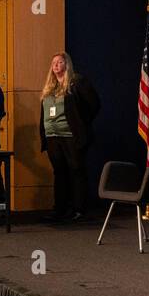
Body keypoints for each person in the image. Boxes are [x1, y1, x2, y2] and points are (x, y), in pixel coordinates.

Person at [39, 52, 100, 223]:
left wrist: (81, 123)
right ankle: (60, 209)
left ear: (67, 65)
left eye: (59, 62)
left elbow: (94, 104)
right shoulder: (50, 87)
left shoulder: (76, 82)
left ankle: (79, 209)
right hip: (53, 137)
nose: (56, 65)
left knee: (76, 171)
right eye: (53, 63)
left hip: (71, 136)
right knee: (59, 173)